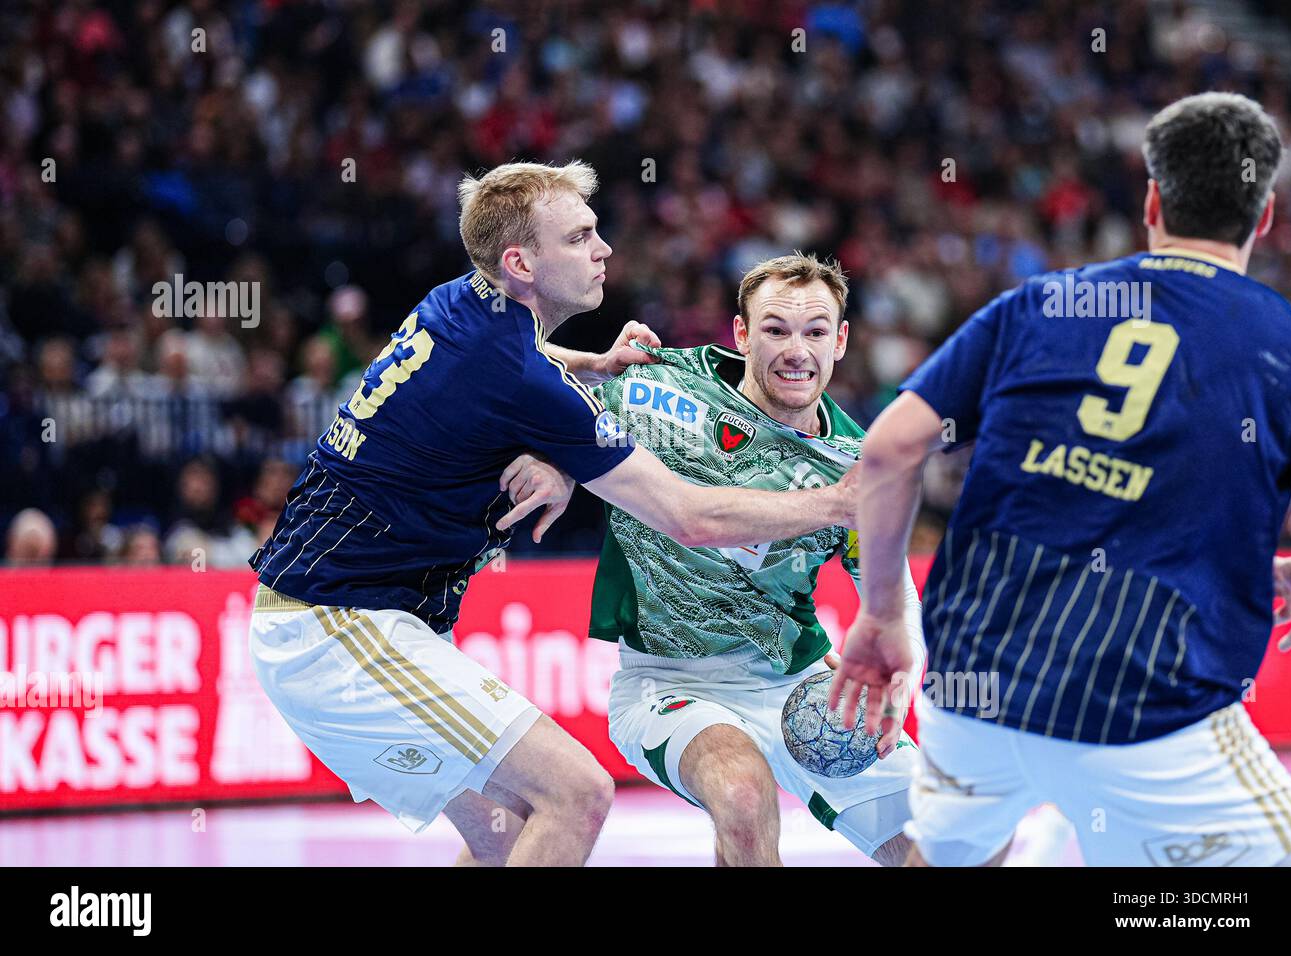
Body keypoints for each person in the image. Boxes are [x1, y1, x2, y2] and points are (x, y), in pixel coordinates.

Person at [247, 161, 861, 867]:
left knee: (507, 827)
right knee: (576, 795)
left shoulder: (459, 302)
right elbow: (687, 516)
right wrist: (836, 502)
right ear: (521, 262)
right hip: (339, 630)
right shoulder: (521, 379)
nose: (603, 249)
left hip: (321, 622)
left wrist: (594, 365)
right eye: (580, 237)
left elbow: (524, 358)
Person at [830, 92, 1291, 866]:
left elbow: (888, 450)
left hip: (971, 683)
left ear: (1152, 200)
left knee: (953, 855)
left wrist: (882, 611)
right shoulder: (1280, 342)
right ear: (1266, 215)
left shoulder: (1046, 300)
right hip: (1143, 709)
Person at [585, 252, 924, 866]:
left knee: (942, 846)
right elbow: (513, 367)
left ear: (841, 340)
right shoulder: (659, 385)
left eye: (816, 331)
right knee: (743, 796)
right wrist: (552, 456)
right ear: (741, 334)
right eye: (775, 329)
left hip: (803, 685)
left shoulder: (859, 461)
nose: (797, 350)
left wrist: (906, 661)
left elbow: (892, 589)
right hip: (669, 681)